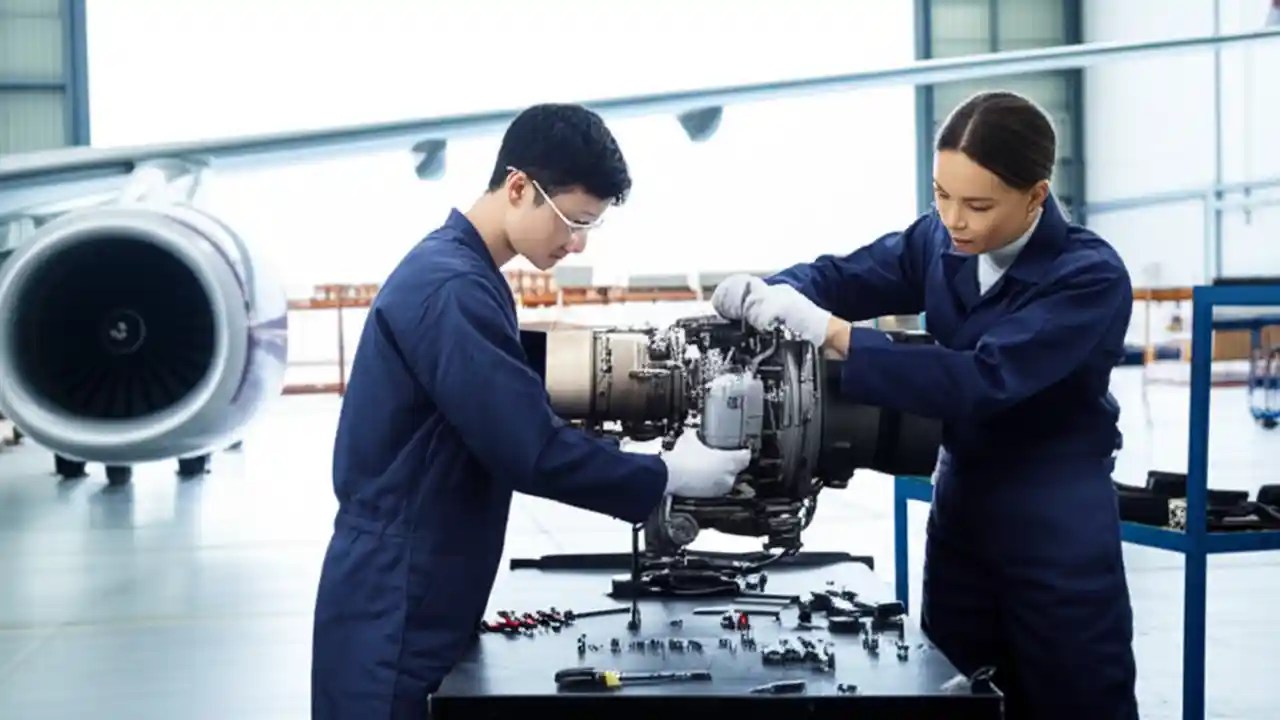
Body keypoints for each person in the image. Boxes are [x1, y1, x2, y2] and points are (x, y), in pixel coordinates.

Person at [311, 103, 751, 718]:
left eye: (590, 228)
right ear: (519, 187)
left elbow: (509, 391)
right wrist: (668, 473)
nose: (575, 243)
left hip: (419, 578)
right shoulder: (452, 289)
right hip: (397, 598)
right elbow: (530, 448)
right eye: (573, 221)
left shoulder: (465, 273)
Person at [711, 90, 1138, 720]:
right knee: (950, 689)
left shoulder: (1088, 277)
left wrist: (834, 333)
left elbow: (983, 379)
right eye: (940, 195)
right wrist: (772, 290)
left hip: (1055, 526)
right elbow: (845, 276)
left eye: (977, 204)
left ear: (1036, 196)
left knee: (1074, 696)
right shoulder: (940, 242)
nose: (954, 218)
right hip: (962, 511)